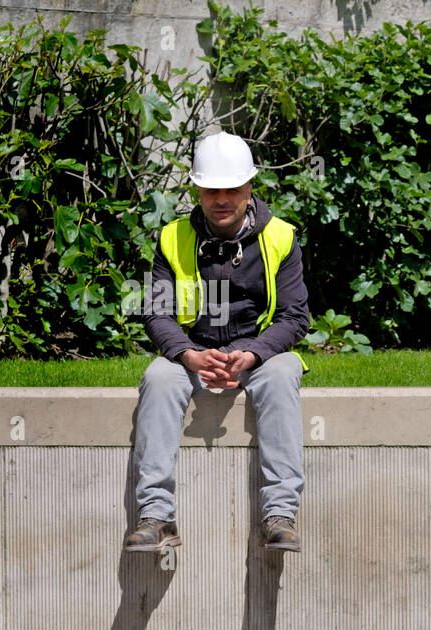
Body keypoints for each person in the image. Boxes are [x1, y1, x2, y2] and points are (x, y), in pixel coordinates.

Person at [124, 132, 310, 554]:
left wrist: (254, 353)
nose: (221, 198)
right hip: (193, 350)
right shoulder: (172, 237)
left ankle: (279, 515)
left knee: (283, 375)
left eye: (232, 189)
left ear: (249, 190)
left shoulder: (280, 237)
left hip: (260, 353)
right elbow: (157, 312)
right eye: (211, 190)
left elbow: (295, 317)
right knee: (158, 375)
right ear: (198, 190)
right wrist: (187, 354)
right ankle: (156, 516)